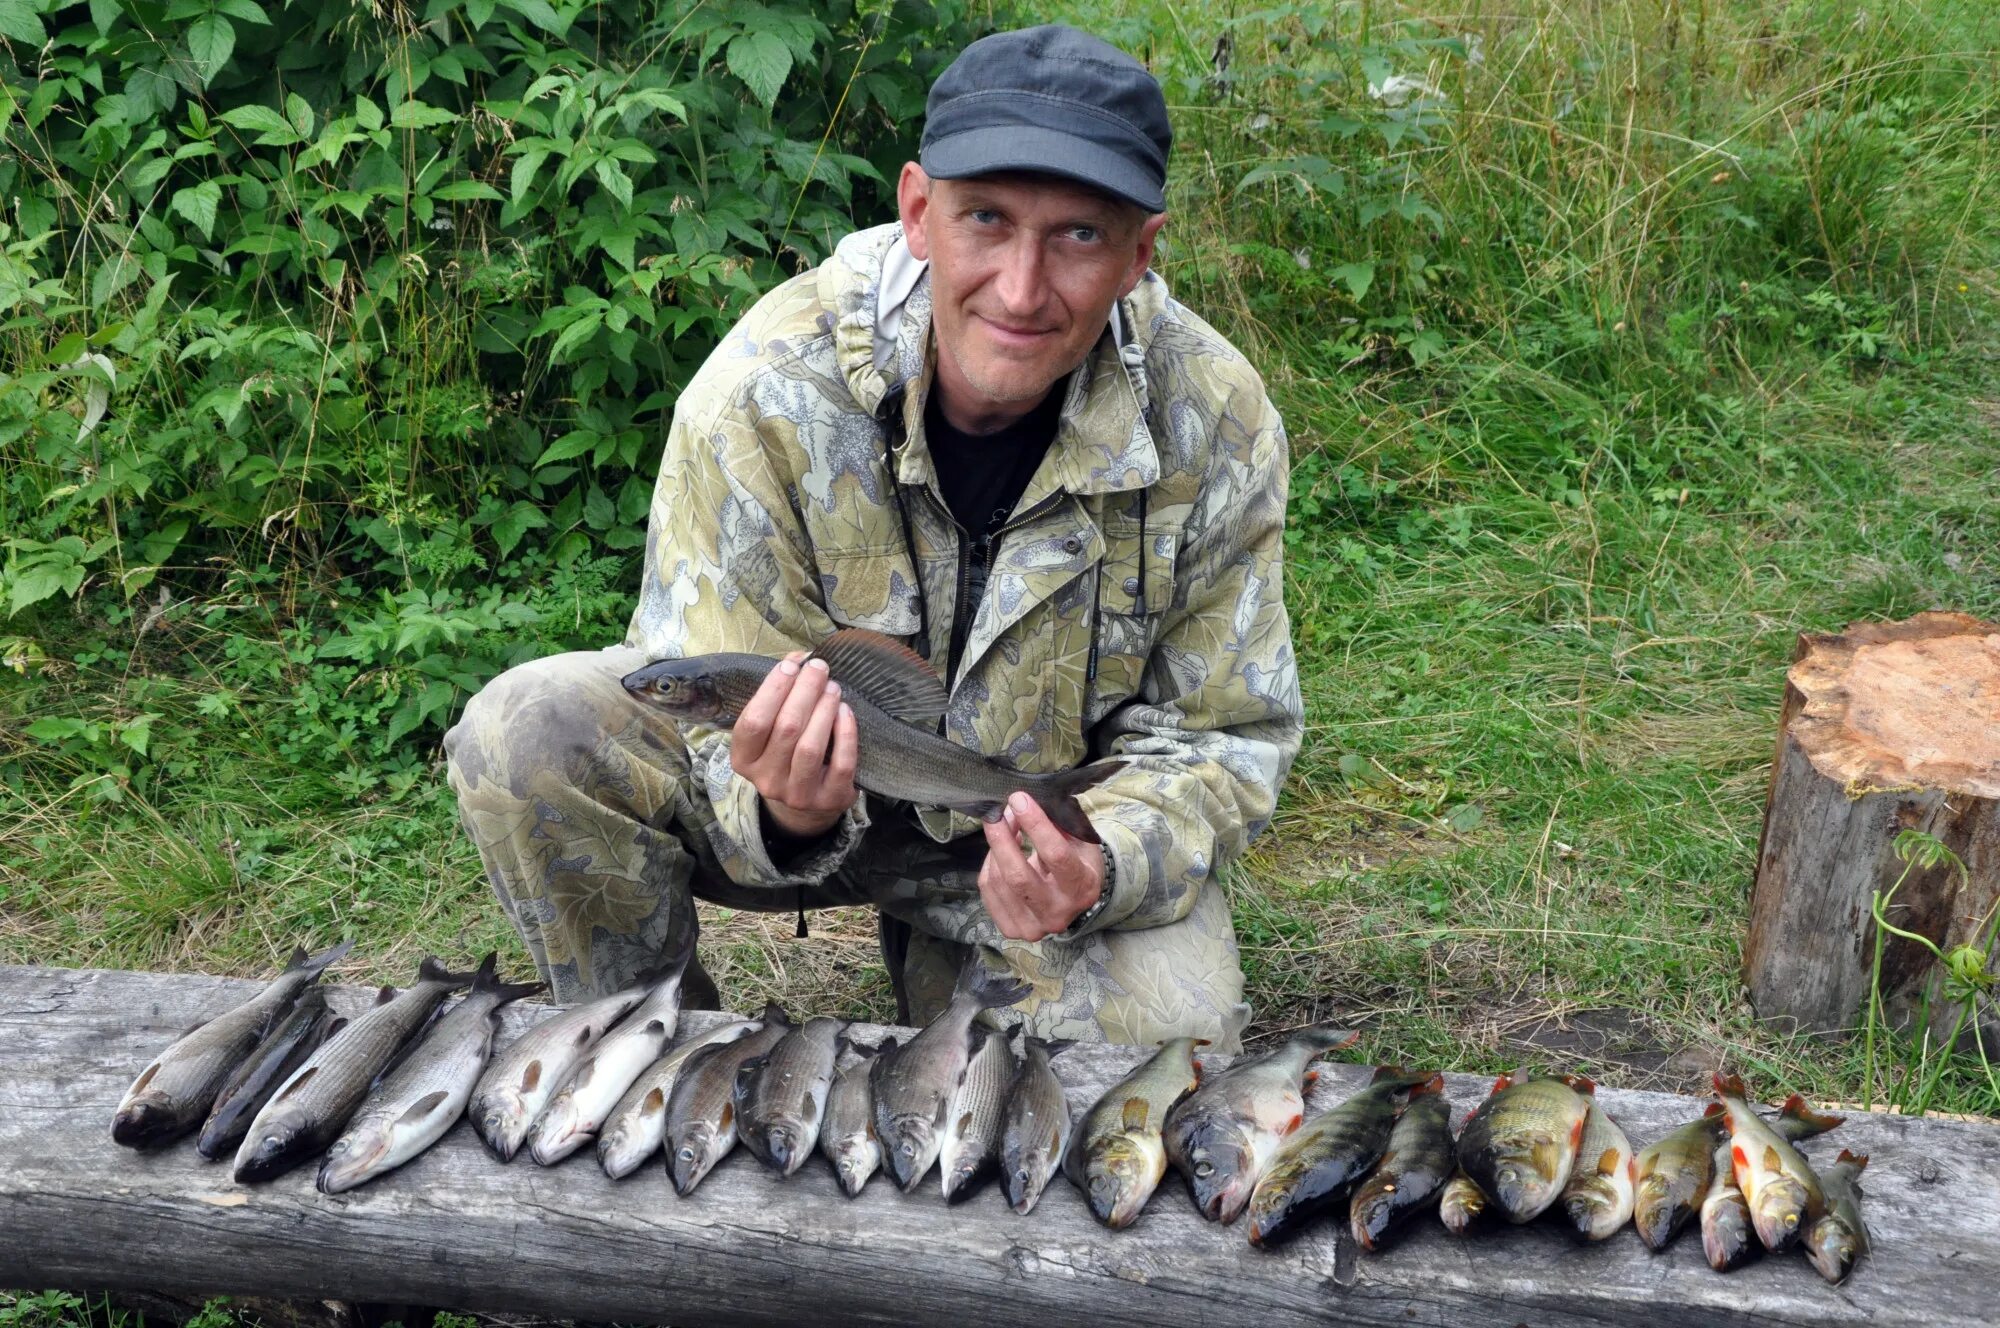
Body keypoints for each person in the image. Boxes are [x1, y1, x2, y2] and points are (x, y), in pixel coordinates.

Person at [444, 23, 1300, 1052]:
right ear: (916, 212)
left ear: (1138, 254)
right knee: (522, 728)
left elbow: (1221, 736)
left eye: (1077, 235)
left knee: (1160, 1047)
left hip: (1024, 837)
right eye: (985, 218)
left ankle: (962, 974)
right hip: (779, 808)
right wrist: (787, 810)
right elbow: (702, 704)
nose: (1021, 289)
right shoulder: (763, 394)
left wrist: (1097, 858)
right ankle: (645, 1050)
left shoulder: (1210, 417)